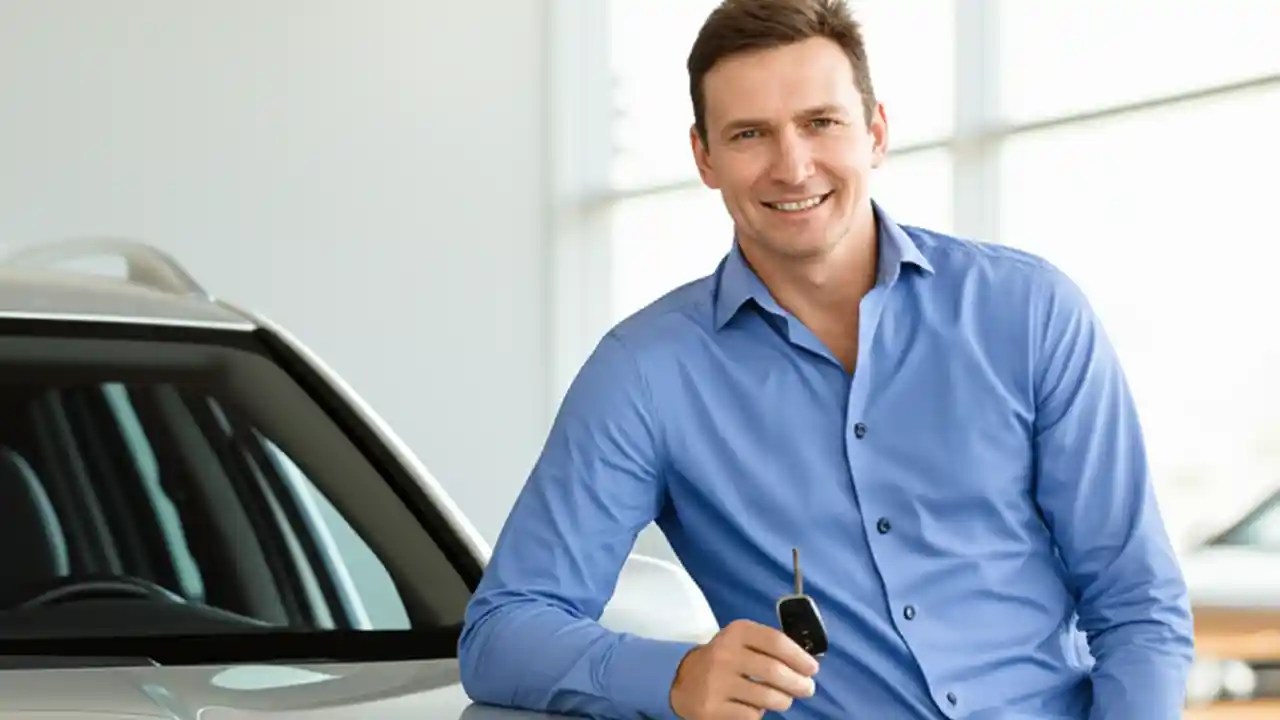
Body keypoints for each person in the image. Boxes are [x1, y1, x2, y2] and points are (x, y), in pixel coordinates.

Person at [458, 0, 1195, 717]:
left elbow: (1136, 603)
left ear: (875, 132)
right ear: (704, 157)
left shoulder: (1028, 312)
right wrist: (676, 676)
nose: (792, 166)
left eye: (821, 123)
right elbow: (503, 631)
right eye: (750, 134)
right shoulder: (645, 374)